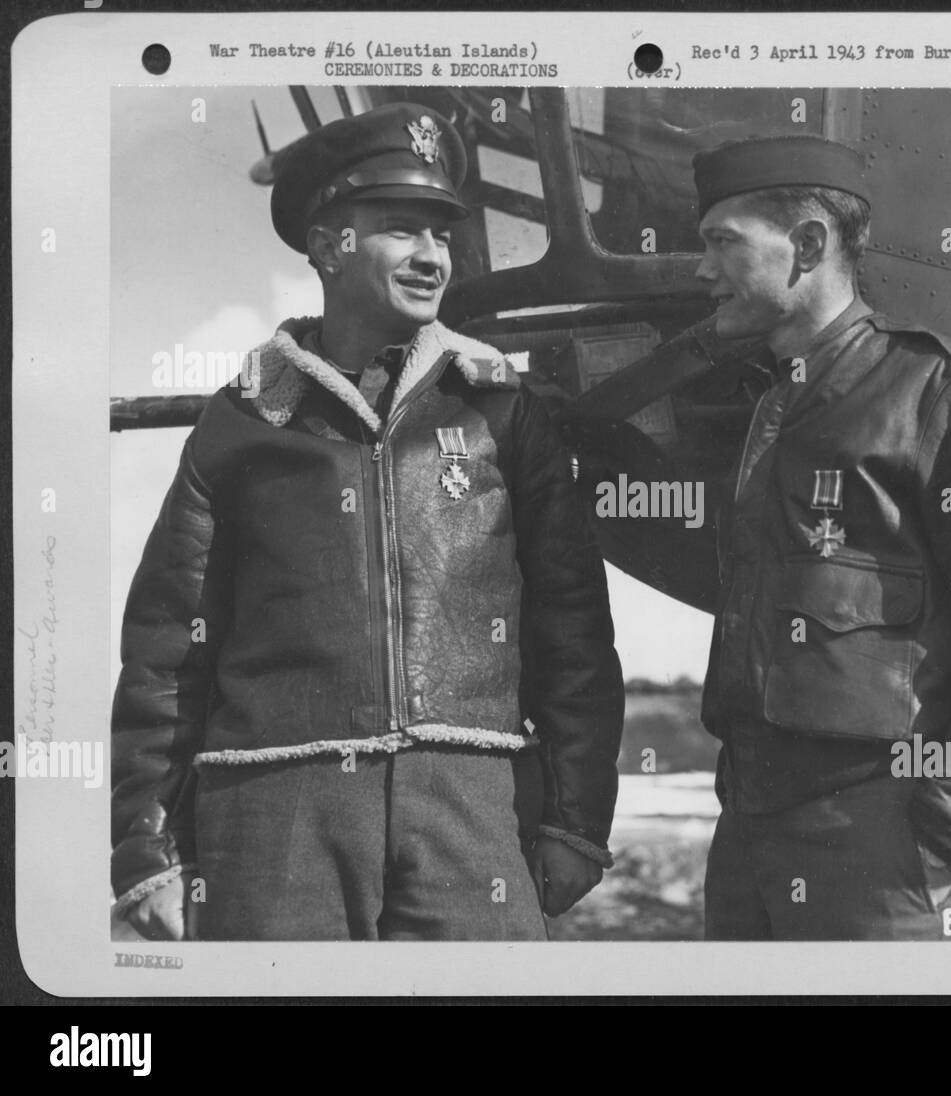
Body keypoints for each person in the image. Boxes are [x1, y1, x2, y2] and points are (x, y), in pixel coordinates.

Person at [110, 102, 623, 941]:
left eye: (442, 235)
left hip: (473, 814)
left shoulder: (501, 410)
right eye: (400, 230)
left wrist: (574, 818)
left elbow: (571, 626)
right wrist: (149, 844)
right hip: (274, 824)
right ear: (326, 246)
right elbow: (170, 645)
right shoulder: (242, 423)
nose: (432, 257)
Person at [691, 135, 951, 940]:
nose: (699, 269)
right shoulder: (771, 406)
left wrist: (950, 831)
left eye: (722, 243)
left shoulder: (939, 389)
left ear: (808, 246)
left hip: (888, 848)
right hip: (748, 828)